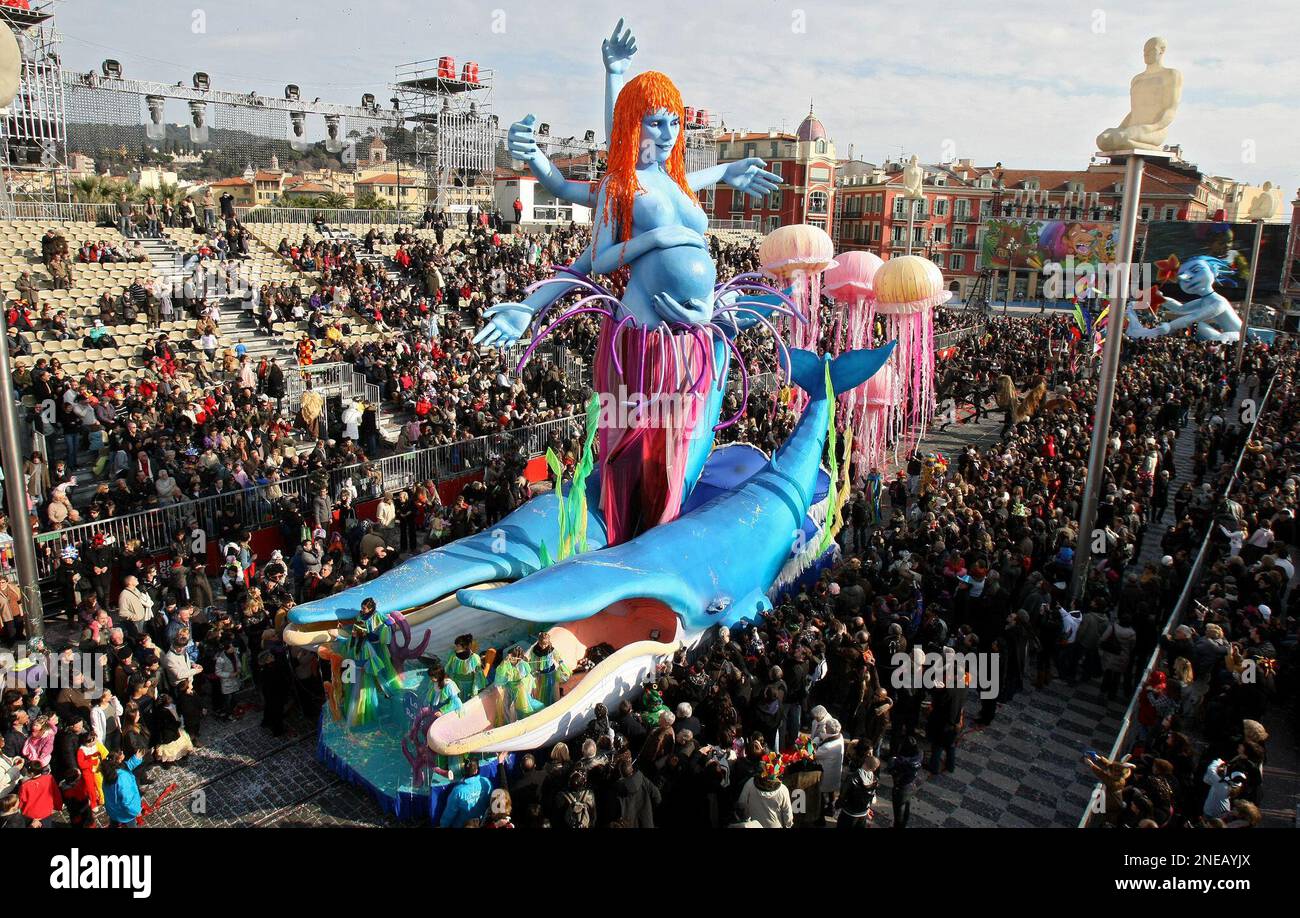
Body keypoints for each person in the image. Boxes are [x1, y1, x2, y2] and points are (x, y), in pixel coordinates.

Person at [735, 753, 793, 828]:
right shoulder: (783, 789)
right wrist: (788, 825)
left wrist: (747, 817)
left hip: (755, 825)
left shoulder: (751, 783)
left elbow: (741, 803)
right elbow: (788, 814)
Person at [438, 758, 493, 828]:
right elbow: (491, 804)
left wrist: (443, 825)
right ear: (476, 770)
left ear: (464, 770)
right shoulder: (486, 782)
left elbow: (449, 814)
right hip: (482, 823)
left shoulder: (458, 791)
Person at [887, 735, 922, 829]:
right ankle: (903, 825)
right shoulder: (918, 756)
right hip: (912, 785)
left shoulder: (898, 760)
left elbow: (890, 769)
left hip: (901, 788)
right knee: (906, 807)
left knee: (898, 812)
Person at [101, 750, 144, 828]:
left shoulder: (109, 773)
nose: (123, 753)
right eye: (121, 753)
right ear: (119, 760)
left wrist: (136, 759)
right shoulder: (122, 778)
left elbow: (126, 766)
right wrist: (136, 811)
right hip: (125, 814)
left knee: (114, 823)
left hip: (113, 810)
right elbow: (127, 800)